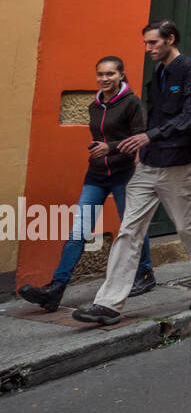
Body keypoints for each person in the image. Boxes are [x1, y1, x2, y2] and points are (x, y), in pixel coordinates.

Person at [72, 21, 191, 325]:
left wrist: (150, 136)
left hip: (180, 166)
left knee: (188, 229)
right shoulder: (159, 75)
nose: (148, 48)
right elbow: (152, 118)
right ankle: (108, 304)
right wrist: (143, 148)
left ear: (170, 39)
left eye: (153, 43)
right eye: (145, 43)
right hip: (149, 166)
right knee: (129, 230)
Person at [18, 57, 155, 312]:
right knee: (78, 231)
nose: (105, 79)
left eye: (110, 74)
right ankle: (55, 289)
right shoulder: (95, 105)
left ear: (121, 75)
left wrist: (109, 148)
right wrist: (99, 151)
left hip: (124, 175)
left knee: (132, 227)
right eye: (100, 74)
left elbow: (140, 139)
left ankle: (145, 273)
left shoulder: (132, 104)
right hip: (96, 176)